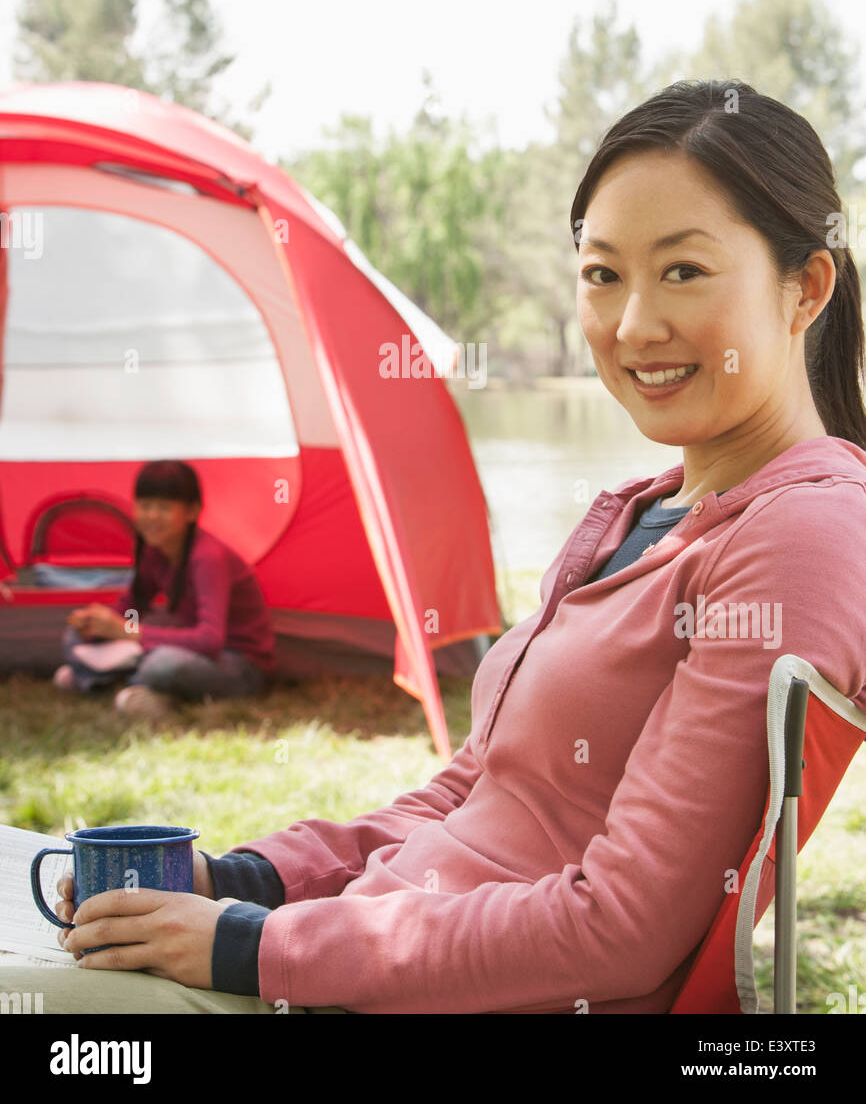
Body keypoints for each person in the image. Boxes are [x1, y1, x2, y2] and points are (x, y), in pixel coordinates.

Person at [5, 78, 866, 1014]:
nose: (631, 326)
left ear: (805, 288)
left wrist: (257, 952)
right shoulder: (633, 512)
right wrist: (245, 885)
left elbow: (623, 927)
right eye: (602, 274)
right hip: (364, 961)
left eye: (684, 271)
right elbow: (472, 791)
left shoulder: (799, 534)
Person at [52, 460, 275, 720]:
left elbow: (210, 640)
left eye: (164, 508)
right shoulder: (154, 551)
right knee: (75, 637)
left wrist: (129, 633)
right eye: (145, 506)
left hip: (238, 665)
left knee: (162, 664)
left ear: (192, 512)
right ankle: (124, 684)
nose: (152, 516)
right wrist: (97, 623)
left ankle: (107, 681)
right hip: (189, 653)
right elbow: (132, 609)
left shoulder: (207, 558)